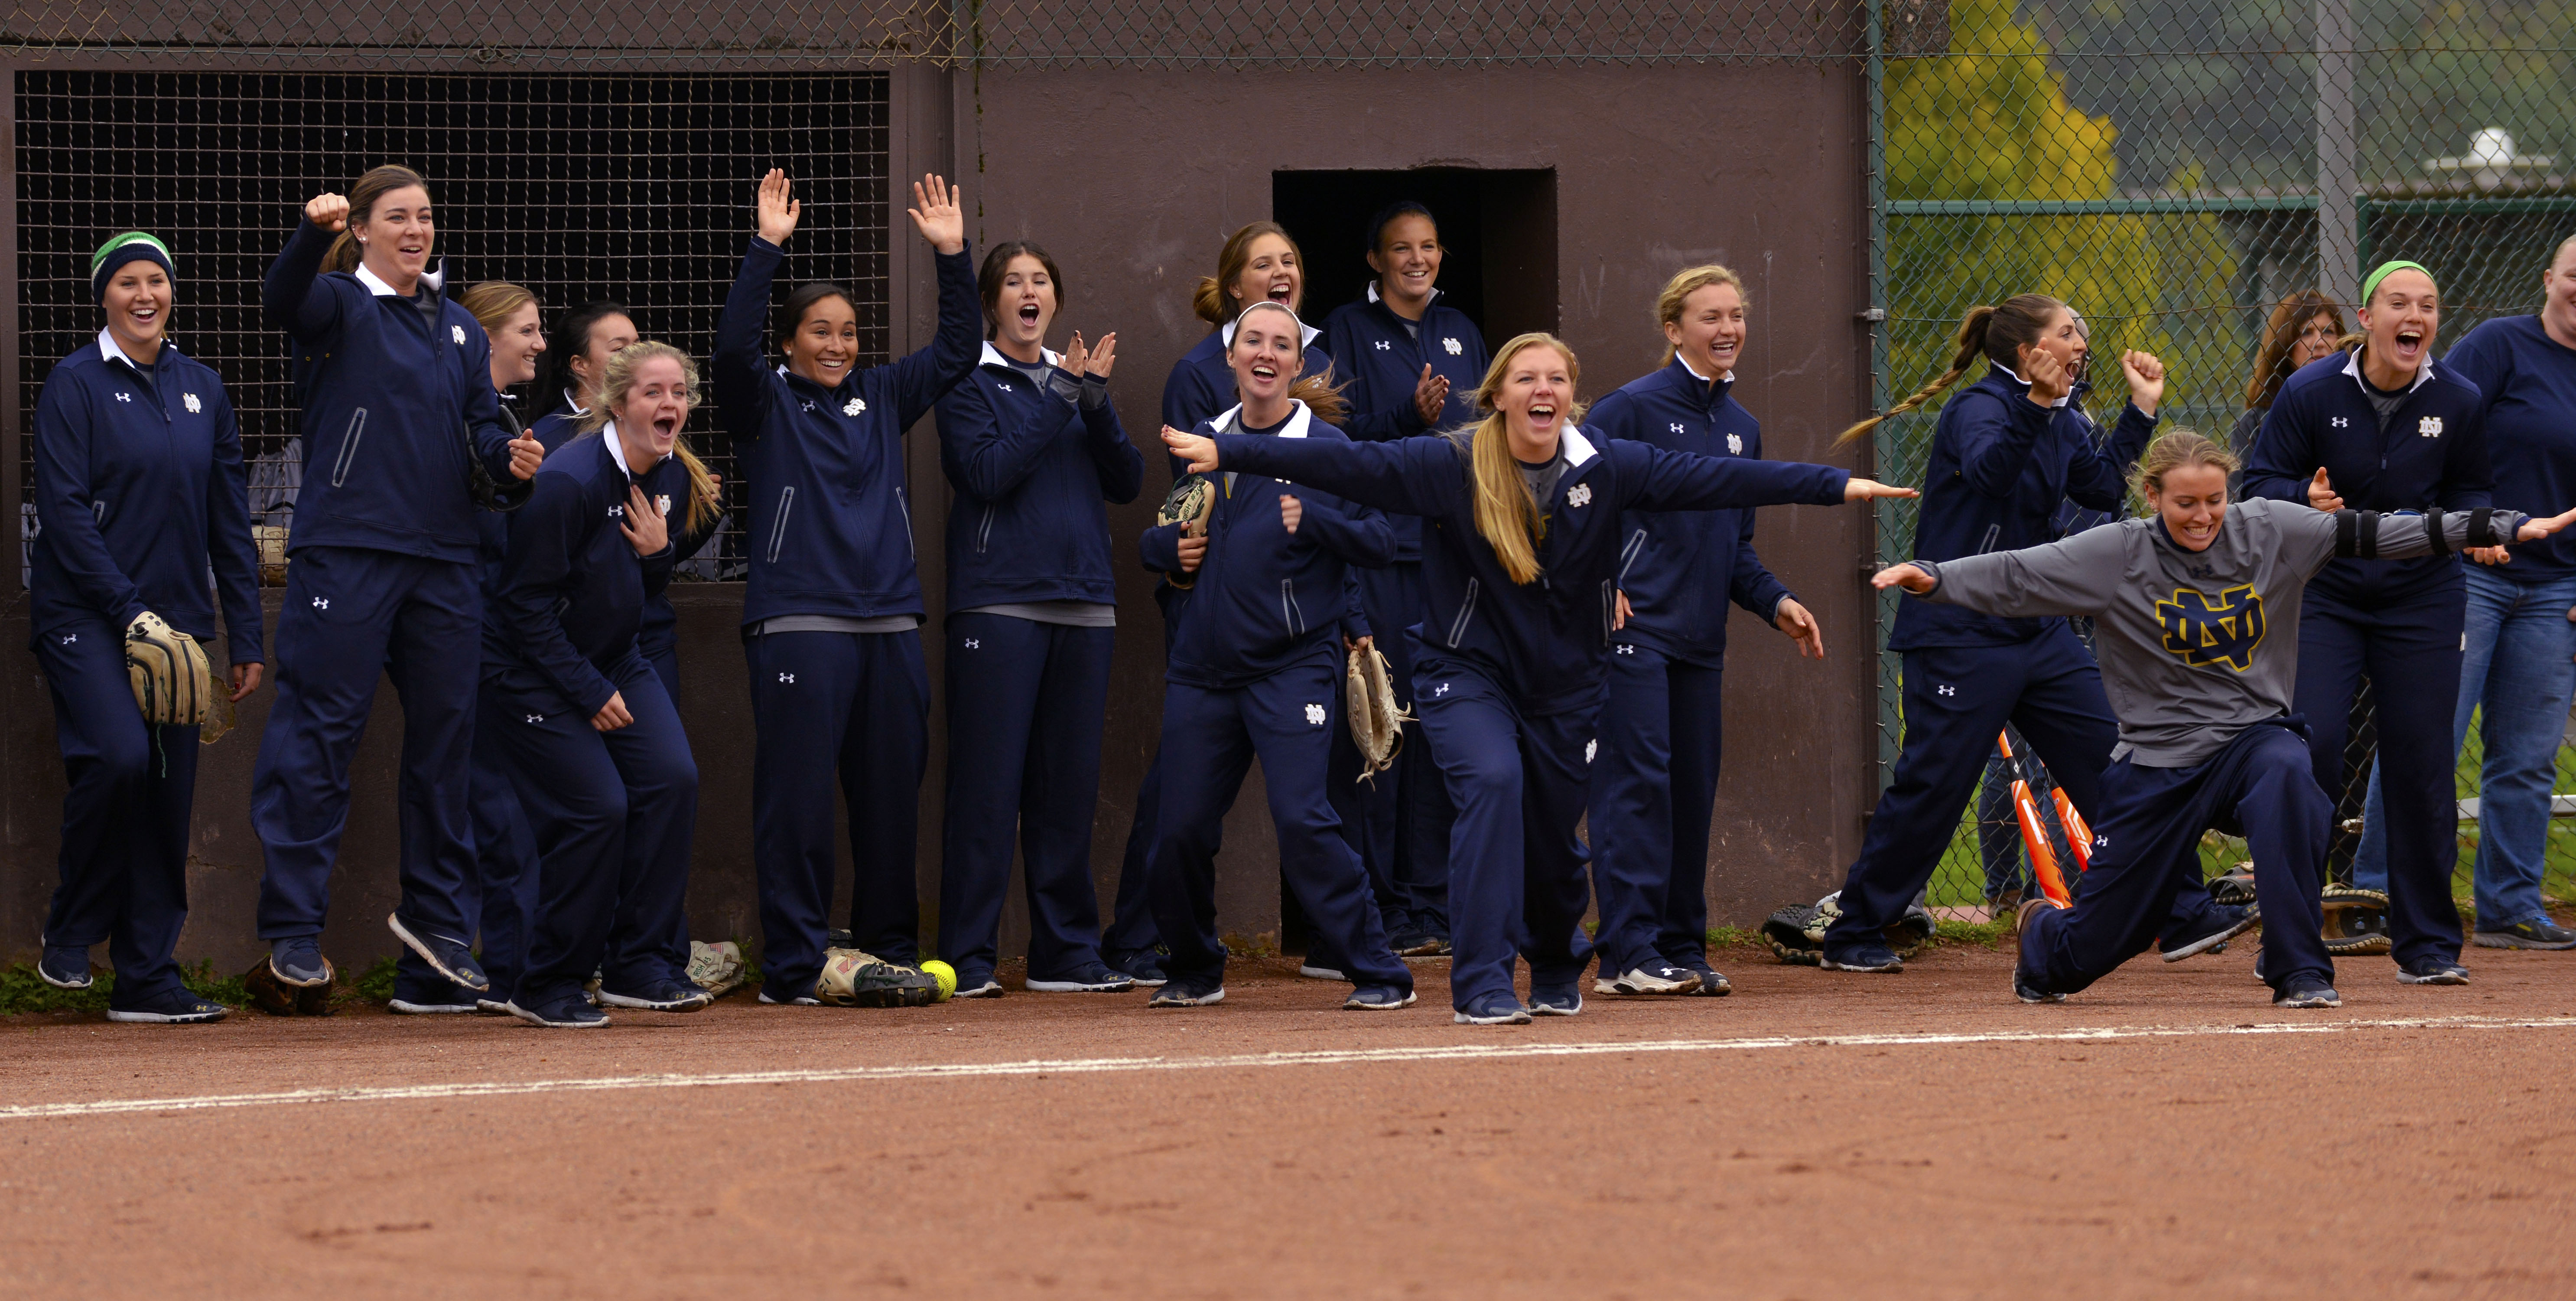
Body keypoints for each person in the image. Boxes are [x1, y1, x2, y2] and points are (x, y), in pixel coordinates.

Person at [1163, 332, 1914, 1023]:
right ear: (1497, 396)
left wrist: (1834, 486)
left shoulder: (1606, 466)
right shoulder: (1449, 464)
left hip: (1564, 685)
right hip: (1464, 671)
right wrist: (1229, 453)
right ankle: (1484, 983)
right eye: (1525, 377)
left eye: (1555, 378)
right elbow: (1348, 463)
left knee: (1554, 848)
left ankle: (1555, 959)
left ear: (1569, 398)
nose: (1541, 388)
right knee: (1490, 786)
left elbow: (1716, 476)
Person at [1874, 430, 2572, 1006]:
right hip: (2158, 764)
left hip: (2249, 739)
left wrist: (2503, 524)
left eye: (2214, 500)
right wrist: (1935, 577)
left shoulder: (2273, 528)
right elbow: (2021, 573)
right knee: (2085, 954)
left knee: (2290, 770)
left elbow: (2388, 533)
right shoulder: (2118, 551)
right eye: (2185, 503)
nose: (2203, 515)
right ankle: (2043, 940)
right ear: (2152, 498)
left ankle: (2299, 969)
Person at [1817, 295, 2185, 975]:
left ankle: (2181, 904)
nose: (2082, 343)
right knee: (1934, 786)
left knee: (2114, 758)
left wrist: (2140, 411)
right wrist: (2038, 408)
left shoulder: (2061, 415)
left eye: (2082, 331)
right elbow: (1991, 473)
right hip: (1961, 630)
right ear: (2027, 352)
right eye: (2068, 332)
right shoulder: (1979, 409)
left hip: (2037, 628)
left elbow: (2103, 486)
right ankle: (1857, 929)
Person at [250, 166, 544, 1000]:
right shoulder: (338, 302)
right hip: (347, 551)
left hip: (447, 565)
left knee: (446, 747)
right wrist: (312, 234)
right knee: (319, 739)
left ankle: (439, 931)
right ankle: (294, 936)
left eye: (425, 216)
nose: (416, 230)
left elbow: (484, 434)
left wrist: (511, 465)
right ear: (366, 231)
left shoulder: (457, 329)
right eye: (397, 218)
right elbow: (282, 302)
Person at [714, 169, 976, 1006]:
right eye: (819, 332)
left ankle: (885, 954)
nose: (837, 345)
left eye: (850, 332)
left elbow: (958, 350)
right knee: (795, 804)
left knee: (890, 799)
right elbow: (727, 350)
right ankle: (794, 965)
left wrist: (950, 255)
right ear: (788, 341)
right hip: (799, 625)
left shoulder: (882, 391)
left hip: (891, 625)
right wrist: (765, 248)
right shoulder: (761, 402)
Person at [1139, 301, 1411, 1010]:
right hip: (1201, 669)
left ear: (1297, 364)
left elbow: (1381, 540)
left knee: (1301, 819)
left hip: (1291, 666)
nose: (1264, 354)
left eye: (1280, 345)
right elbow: (1159, 535)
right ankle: (1196, 967)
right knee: (1176, 830)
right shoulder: (1207, 439)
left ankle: (1378, 970)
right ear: (1229, 358)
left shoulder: (1326, 448)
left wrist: (1316, 520)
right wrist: (1169, 550)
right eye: (1251, 341)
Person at [26, 232, 263, 1023]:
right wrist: (130, 610)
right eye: (126, 281)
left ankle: (147, 977)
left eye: (155, 280)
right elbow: (62, 515)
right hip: (87, 617)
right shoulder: (73, 383)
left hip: (182, 627)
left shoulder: (202, 386)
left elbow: (231, 522)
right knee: (120, 759)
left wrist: (244, 638)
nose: (143, 294)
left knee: (167, 797)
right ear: (103, 295)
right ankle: (70, 931)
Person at [1099, 222, 1343, 985]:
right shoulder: (1197, 380)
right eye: (1262, 264)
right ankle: (1144, 939)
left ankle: (1345, 944)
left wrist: (1356, 624)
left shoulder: (1317, 386)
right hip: (1206, 619)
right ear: (1233, 299)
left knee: (1304, 803)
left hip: (1290, 630)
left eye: (1290, 261)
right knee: (1181, 797)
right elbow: (1183, 507)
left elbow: (1353, 505)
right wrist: (1176, 560)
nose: (1280, 272)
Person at [2244, 261, 2495, 985]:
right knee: (2307, 751)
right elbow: (2260, 485)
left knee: (2420, 764)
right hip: (2324, 592)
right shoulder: (2307, 390)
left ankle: (2425, 946)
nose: (2412, 315)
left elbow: (2471, 489)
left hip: (2420, 597)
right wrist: (2303, 495)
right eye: (2396, 303)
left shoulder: (2457, 399)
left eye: (2426, 304)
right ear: (2366, 319)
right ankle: (2290, 948)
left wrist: (2468, 527)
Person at [1584, 263, 1818, 998]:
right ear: (1672, 328)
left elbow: (1735, 547)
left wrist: (1774, 601)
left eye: (1735, 316)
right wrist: (1601, 583)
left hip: (1698, 642)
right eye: (1709, 316)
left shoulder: (1741, 429)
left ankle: (1680, 946)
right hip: (1631, 634)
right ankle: (1626, 953)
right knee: (1639, 786)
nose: (1726, 329)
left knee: (1690, 789)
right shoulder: (1628, 410)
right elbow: (1575, 506)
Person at [2348, 240, 2576, 951]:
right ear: (2547, 280)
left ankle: (2508, 905)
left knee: (2527, 753)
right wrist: (2466, 523)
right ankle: (2377, 893)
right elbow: (2431, 429)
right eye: (2573, 276)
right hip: (2467, 574)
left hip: (2553, 588)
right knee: (2425, 737)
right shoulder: (2497, 346)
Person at [932, 240, 1144, 998]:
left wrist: (1091, 398)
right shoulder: (966, 381)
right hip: (998, 604)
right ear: (992, 303)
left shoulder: (1074, 382)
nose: (1028, 293)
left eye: (1040, 282)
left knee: (1068, 792)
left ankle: (1065, 953)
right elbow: (985, 474)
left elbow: (1126, 480)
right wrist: (1058, 394)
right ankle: (968, 958)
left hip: (1085, 607)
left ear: (1054, 299)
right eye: (1013, 283)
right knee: (987, 791)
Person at [482, 341, 709, 1027]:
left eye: (678, 393)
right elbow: (522, 606)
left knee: (672, 778)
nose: (668, 405)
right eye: (652, 393)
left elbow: (625, 581)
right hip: (528, 672)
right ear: (618, 403)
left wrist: (659, 554)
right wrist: (585, 689)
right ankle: (547, 981)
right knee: (598, 809)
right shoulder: (570, 480)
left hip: (614, 660)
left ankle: (639, 965)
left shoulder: (669, 475)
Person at [1320, 200, 1488, 956]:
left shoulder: (1464, 332)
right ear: (1374, 261)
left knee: (1438, 730)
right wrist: (1405, 415)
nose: (1415, 260)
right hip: (1378, 554)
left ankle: (1432, 904)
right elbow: (1331, 438)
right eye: (1399, 249)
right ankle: (1381, 909)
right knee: (1379, 732)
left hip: (1447, 559)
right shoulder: (1344, 331)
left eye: (1427, 247)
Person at [386, 279, 549, 1015]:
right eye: (526, 329)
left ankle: (441, 975)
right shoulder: (452, 421)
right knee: (486, 806)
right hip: (465, 631)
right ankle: (498, 976)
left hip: (493, 636)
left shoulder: (506, 423)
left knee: (483, 803)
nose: (540, 343)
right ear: (481, 339)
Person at [2229, 291, 2346, 464]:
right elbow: (2241, 488)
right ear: (2284, 343)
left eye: (2328, 332)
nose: (2320, 342)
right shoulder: (2254, 424)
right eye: (2306, 333)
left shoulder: (2358, 406)